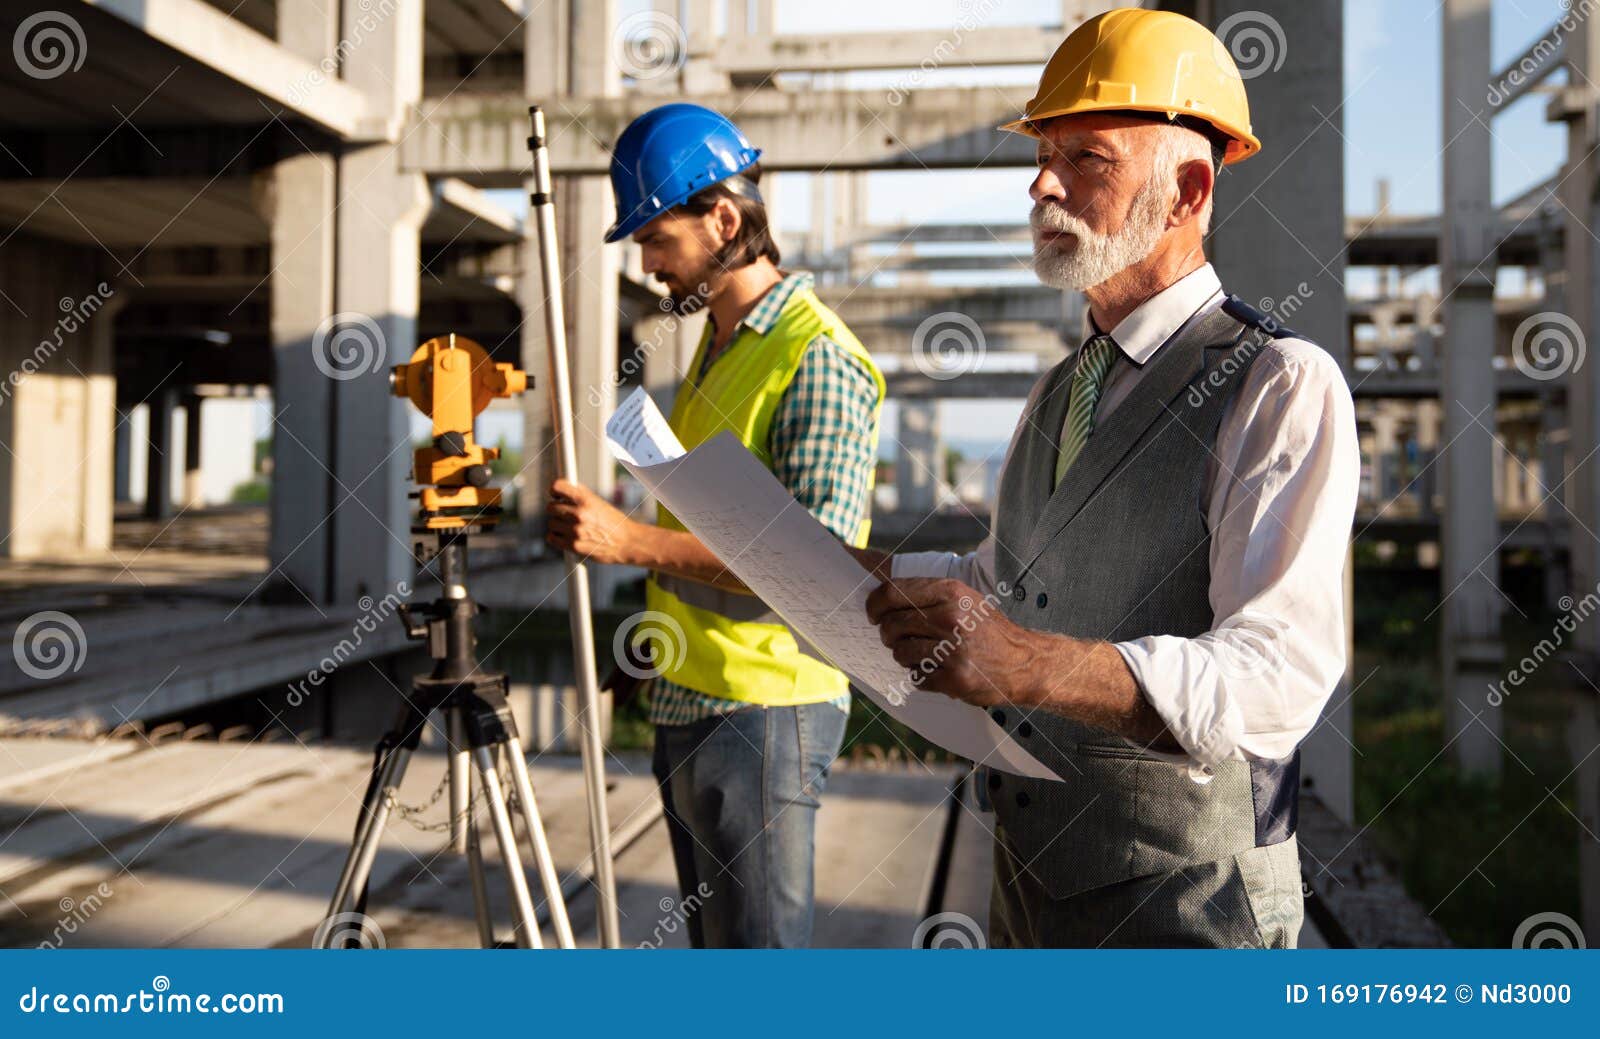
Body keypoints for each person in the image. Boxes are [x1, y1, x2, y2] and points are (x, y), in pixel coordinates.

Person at [856, 8, 1358, 948]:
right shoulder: (1058, 391)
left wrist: (1024, 664)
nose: (1042, 185)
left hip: (1188, 913)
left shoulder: (1279, 383)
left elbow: (1276, 675)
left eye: (1086, 158)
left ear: (1186, 192)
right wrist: (810, 565)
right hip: (1028, 885)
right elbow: (1009, 584)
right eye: (1043, 154)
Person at [545, 103, 885, 948]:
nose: (648, 265)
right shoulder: (719, 344)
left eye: (658, 240)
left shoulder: (815, 356)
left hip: (765, 709)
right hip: (690, 697)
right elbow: (715, 520)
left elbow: (815, 565)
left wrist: (627, 542)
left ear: (724, 221)